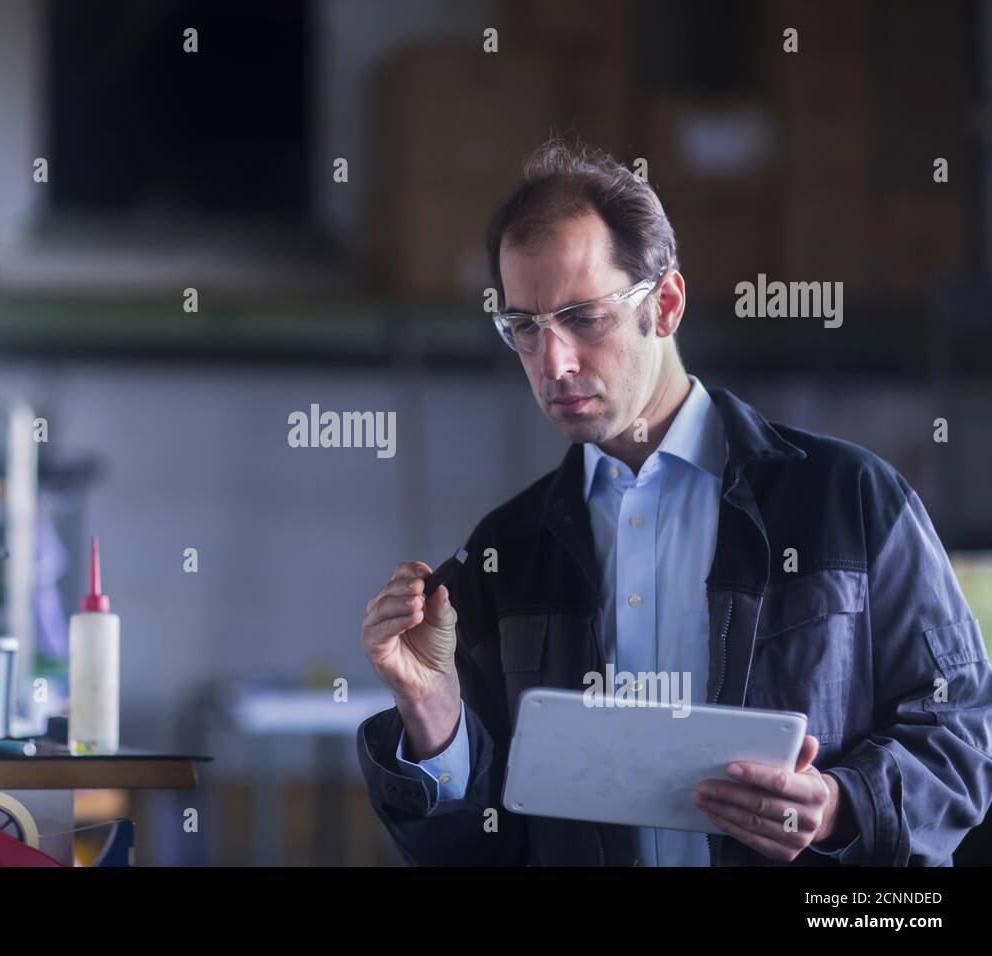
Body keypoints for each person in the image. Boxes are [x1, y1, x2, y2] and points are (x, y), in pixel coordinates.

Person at [356, 136, 992, 866]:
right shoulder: (506, 554)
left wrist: (841, 807)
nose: (553, 361)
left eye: (583, 317)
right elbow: (472, 850)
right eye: (524, 328)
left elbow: (963, 730)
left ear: (665, 303)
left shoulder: (847, 500)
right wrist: (431, 708)